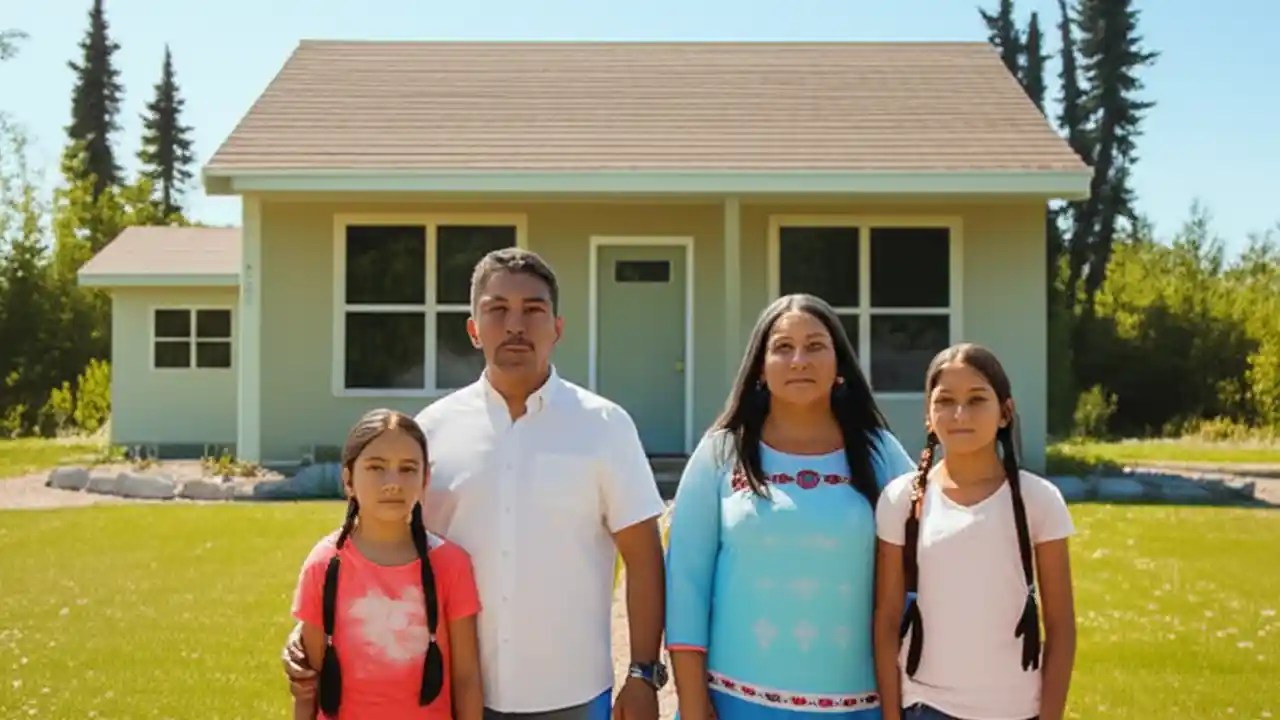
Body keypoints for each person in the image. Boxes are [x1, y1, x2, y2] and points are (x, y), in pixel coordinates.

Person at [285, 248, 668, 720]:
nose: (515, 325)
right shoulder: (432, 431)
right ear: (473, 329)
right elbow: (384, 549)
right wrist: (313, 632)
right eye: (497, 309)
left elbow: (644, 558)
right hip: (452, 696)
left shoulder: (606, 427)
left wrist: (643, 673)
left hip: (575, 692)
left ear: (557, 328)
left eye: (533, 310)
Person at [664, 293, 917, 720]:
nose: (799, 360)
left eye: (815, 346)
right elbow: (686, 581)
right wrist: (691, 702)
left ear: (840, 364)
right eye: (783, 347)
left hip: (859, 706)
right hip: (734, 704)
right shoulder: (721, 453)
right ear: (760, 368)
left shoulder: (881, 454)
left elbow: (933, 545)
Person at [873, 343, 1077, 720]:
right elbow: (886, 620)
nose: (960, 414)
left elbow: (1061, 627)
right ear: (928, 415)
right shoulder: (901, 501)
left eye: (977, 399)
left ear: (1005, 413)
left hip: (1016, 710)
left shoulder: (1039, 500)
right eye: (945, 401)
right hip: (926, 707)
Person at [290, 408, 483, 720]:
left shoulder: (451, 565)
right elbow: (307, 688)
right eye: (376, 467)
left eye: (407, 469)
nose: (393, 482)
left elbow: (466, 679)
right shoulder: (323, 565)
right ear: (348, 480)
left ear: (425, 480)